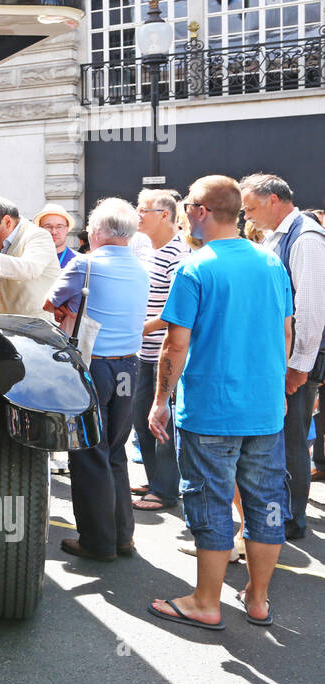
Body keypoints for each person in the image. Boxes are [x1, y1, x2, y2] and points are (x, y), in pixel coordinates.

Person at [144, 175, 292, 630]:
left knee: (209, 503)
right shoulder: (270, 263)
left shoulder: (195, 267)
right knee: (266, 503)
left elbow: (175, 346)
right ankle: (259, 598)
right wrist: (275, 390)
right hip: (264, 408)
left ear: (201, 211)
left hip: (211, 409)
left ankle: (206, 602)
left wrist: (160, 401)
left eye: (188, 204)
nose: (186, 210)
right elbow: (285, 334)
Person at [45, 198, 150, 561]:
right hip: (129, 366)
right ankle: (123, 537)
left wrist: (69, 309)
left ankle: (97, 541)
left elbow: (50, 301)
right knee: (116, 450)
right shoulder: (141, 268)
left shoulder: (85, 264)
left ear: (99, 231)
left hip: (95, 367)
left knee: (89, 452)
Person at [239, 173, 325, 541]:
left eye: (251, 208)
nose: (247, 217)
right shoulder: (285, 234)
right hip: (285, 358)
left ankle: (291, 519)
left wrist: (299, 367)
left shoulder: (305, 237)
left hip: (296, 361)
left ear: (274, 200)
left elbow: (310, 307)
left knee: (291, 440)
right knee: (284, 437)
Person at [130, 189, 189, 512]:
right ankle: (156, 482)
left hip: (165, 352)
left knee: (161, 422)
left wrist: (139, 328)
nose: (137, 215)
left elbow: (176, 313)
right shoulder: (149, 250)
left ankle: (166, 490)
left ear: (165, 215)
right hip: (145, 352)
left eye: (144, 210)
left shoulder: (179, 253)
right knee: (143, 421)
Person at [0, 196, 61, 320]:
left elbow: (30, 269)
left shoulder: (38, 235)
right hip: (12, 324)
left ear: (7, 222)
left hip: (38, 326)